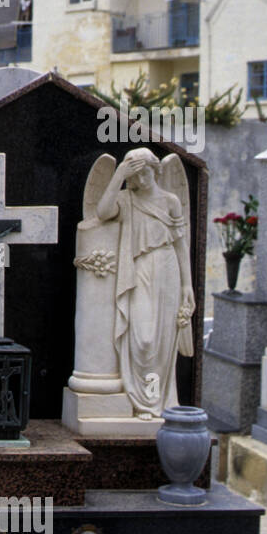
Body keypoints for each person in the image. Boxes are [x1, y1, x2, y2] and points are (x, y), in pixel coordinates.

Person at [96, 147, 193, 419]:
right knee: (144, 338)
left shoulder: (171, 201)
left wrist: (187, 285)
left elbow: (180, 244)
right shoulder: (126, 200)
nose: (142, 179)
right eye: (136, 175)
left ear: (156, 170)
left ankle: (156, 401)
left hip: (167, 270)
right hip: (139, 271)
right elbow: (103, 212)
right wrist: (118, 176)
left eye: (146, 172)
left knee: (162, 339)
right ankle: (142, 400)